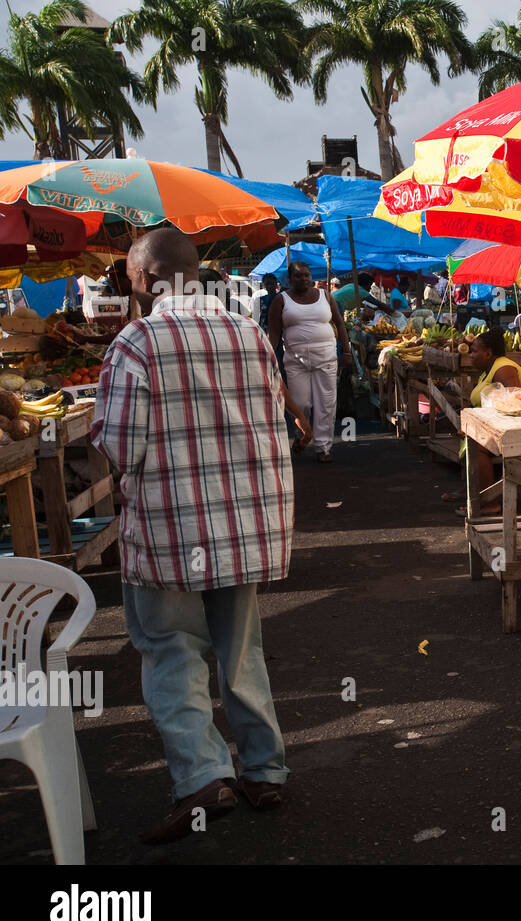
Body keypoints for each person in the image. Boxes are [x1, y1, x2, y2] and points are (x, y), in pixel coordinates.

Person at [90, 228, 300, 844]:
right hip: (242, 523)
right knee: (241, 650)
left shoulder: (137, 341)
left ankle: (204, 780)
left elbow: (120, 443)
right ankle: (265, 772)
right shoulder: (249, 332)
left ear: (150, 279)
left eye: (130, 279)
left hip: (170, 527)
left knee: (171, 651)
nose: (128, 290)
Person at [269, 260, 352, 462]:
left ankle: (323, 448)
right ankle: (303, 435)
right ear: (290, 279)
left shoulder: (325, 296)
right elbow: (273, 334)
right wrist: (268, 358)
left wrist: (347, 351)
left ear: (311, 277)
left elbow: (340, 324)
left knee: (326, 404)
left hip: (326, 359)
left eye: (306, 275)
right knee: (300, 403)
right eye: (298, 276)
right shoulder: (281, 300)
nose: (303, 279)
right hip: (296, 362)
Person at [448, 328, 521, 512]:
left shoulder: (503, 368)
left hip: (516, 428)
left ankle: (489, 502)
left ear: (488, 353)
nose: (471, 355)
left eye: (475, 351)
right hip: (498, 426)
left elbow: (514, 404)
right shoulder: (488, 370)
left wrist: (476, 428)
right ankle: (474, 490)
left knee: (477, 446)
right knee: (469, 438)